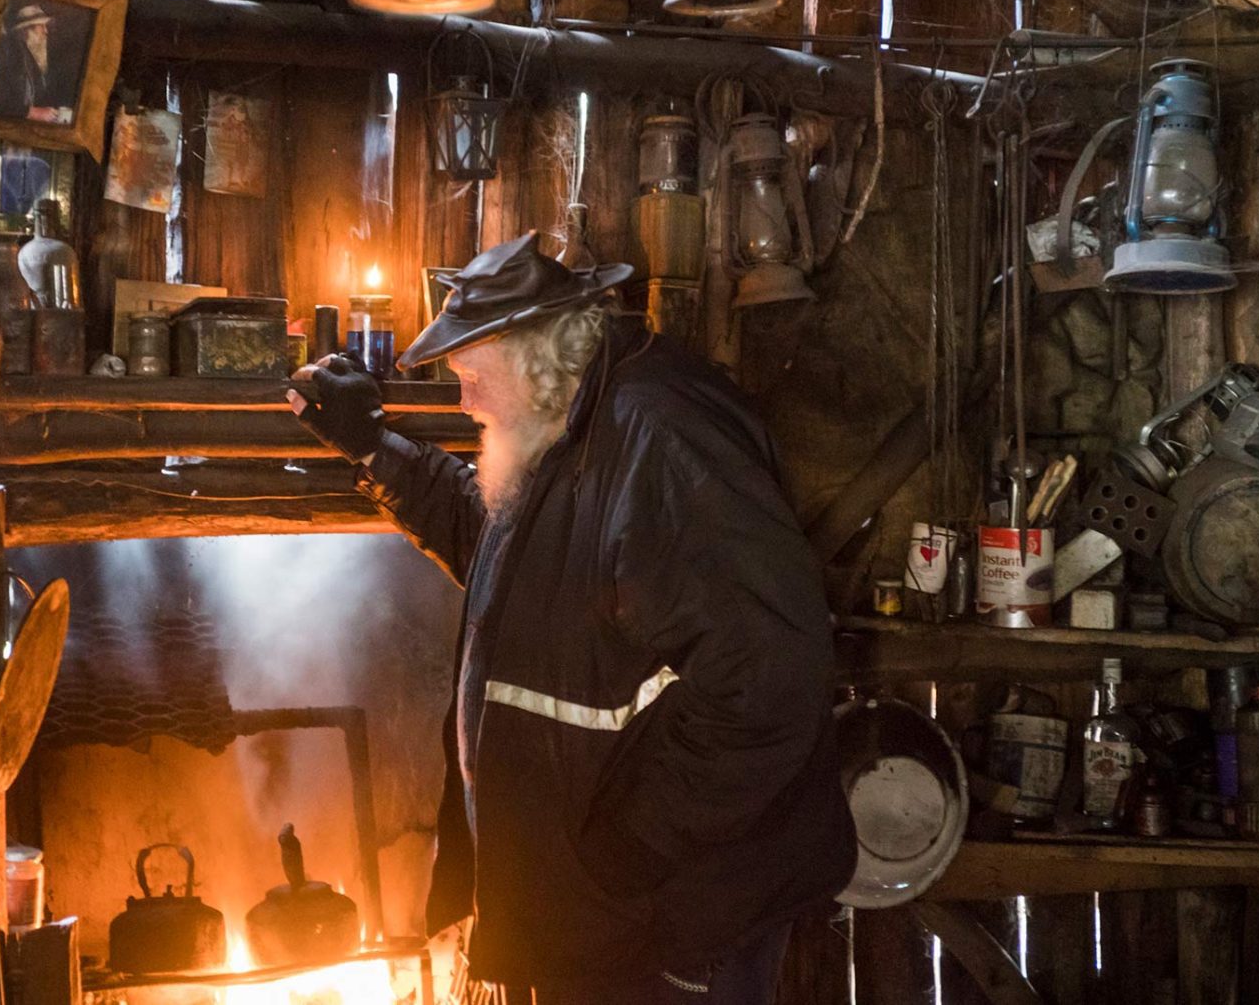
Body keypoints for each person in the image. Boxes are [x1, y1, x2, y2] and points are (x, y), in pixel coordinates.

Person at [288, 233, 852, 1004]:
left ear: (531, 356)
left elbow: (769, 683)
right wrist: (373, 449)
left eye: (469, 376)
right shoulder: (567, 422)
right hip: (605, 905)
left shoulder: (663, 440)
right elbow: (505, 553)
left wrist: (623, 852)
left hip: (673, 917)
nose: (464, 400)